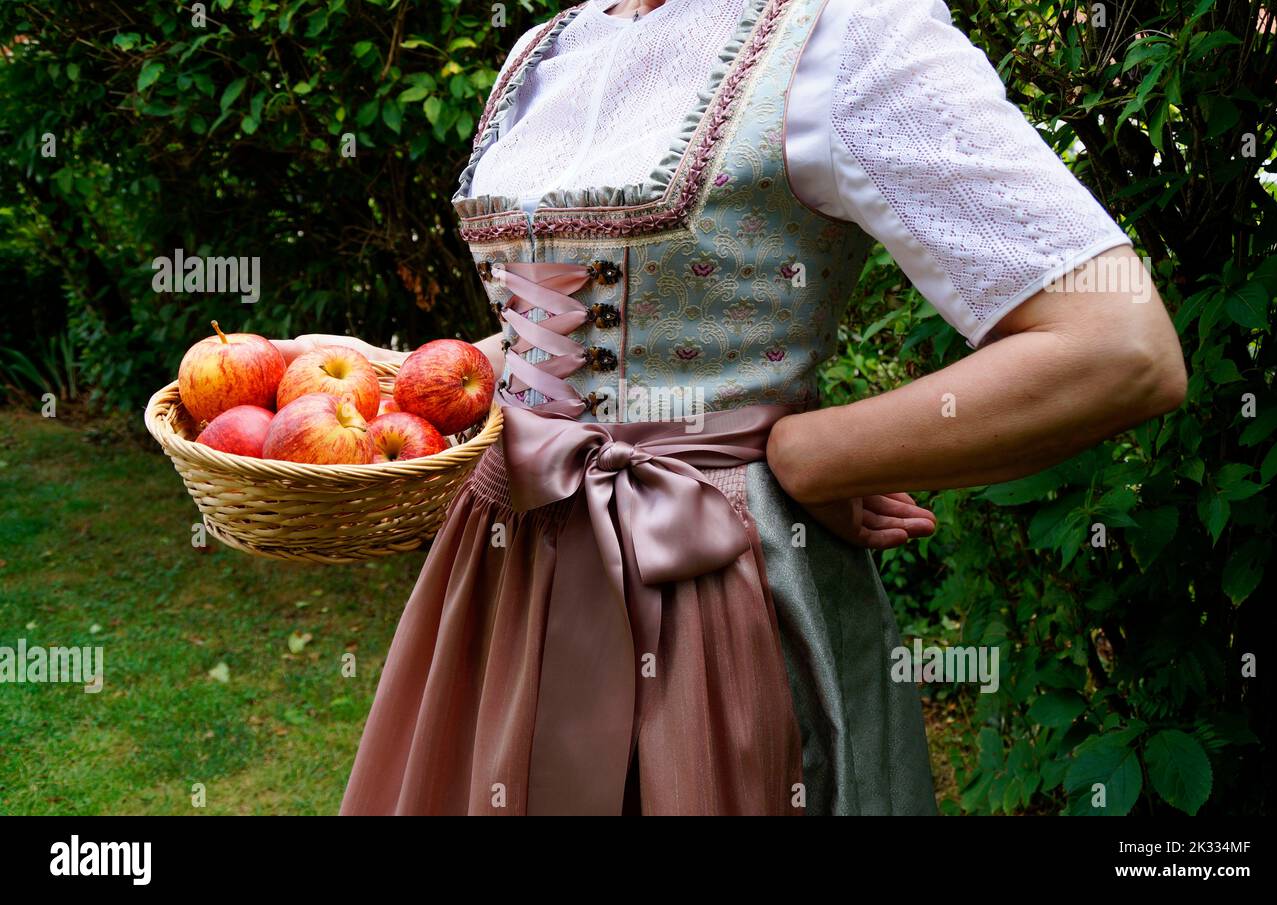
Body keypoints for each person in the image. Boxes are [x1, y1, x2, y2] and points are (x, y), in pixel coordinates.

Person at [276, 0, 1186, 815]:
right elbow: (573, 348)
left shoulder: (851, 36)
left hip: (712, 579)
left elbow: (1117, 345)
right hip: (502, 562)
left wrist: (815, 454)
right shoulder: (546, 50)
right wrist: (365, 385)